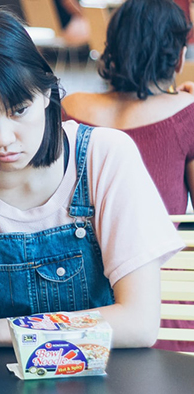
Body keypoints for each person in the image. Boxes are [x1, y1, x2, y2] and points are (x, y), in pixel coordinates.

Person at [0, 8, 183, 359]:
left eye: (18, 110)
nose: (3, 138)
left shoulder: (103, 157)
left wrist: (1, 330)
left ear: (46, 94)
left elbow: (139, 323)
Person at [62, 0, 194, 352]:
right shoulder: (187, 116)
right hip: (162, 304)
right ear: (178, 57)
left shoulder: (69, 108)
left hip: (73, 293)